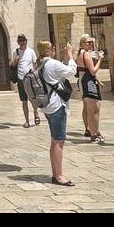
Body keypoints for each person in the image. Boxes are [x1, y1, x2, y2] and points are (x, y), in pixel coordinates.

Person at [35, 40, 78, 186]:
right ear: (47, 51)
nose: (54, 49)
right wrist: (71, 56)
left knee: (55, 141)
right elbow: (71, 71)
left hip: (48, 106)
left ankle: (55, 173)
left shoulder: (41, 64)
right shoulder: (51, 64)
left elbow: (60, 71)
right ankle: (59, 176)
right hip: (57, 106)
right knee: (59, 141)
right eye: (52, 48)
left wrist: (66, 57)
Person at [76, 34, 103, 141]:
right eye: (88, 42)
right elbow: (93, 70)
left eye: (91, 42)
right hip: (88, 81)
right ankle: (95, 133)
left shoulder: (80, 53)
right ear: (82, 43)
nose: (90, 44)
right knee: (94, 109)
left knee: (88, 108)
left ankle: (91, 131)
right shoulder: (86, 54)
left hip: (83, 80)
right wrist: (100, 60)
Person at [9, 34, 40, 128]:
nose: (22, 42)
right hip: (20, 78)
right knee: (24, 101)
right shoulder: (16, 52)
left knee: (32, 98)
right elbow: (12, 65)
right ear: (18, 42)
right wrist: (16, 60)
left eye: (23, 40)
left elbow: (35, 64)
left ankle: (36, 113)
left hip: (30, 78)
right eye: (20, 41)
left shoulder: (31, 51)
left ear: (26, 41)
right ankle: (27, 120)